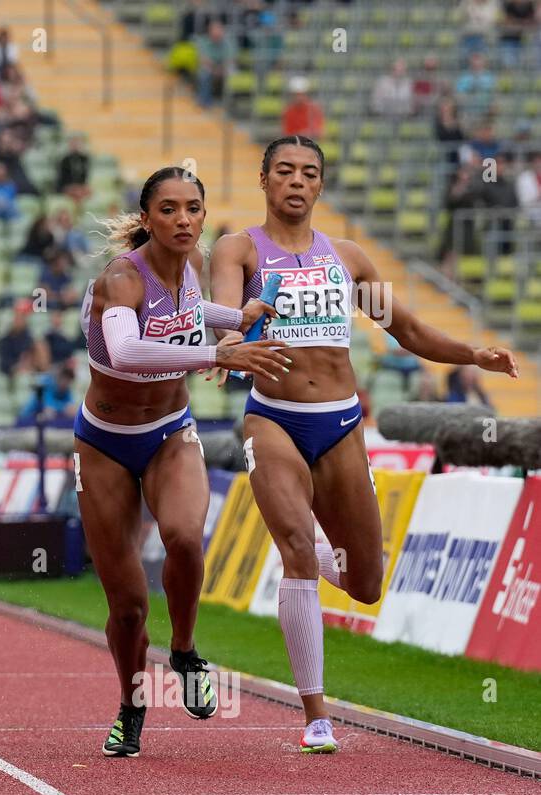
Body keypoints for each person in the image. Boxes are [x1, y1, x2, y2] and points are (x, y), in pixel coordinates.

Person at [210, 136, 518, 755]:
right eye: (285, 171)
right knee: (295, 549)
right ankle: (316, 715)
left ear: (320, 186)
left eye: (310, 173)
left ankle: (314, 548)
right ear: (265, 180)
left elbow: (405, 330)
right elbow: (219, 316)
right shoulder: (238, 248)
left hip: (341, 423)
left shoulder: (346, 260)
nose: (297, 182)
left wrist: (472, 354)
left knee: (365, 583)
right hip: (272, 419)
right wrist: (241, 319)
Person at [77, 166, 285, 758]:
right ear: (147, 220)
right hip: (105, 443)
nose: (183, 220)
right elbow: (126, 349)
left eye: (193, 208)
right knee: (128, 605)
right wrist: (213, 352)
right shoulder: (122, 279)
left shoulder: (190, 269)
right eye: (168, 210)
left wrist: (239, 317)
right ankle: (130, 704)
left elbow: (193, 312)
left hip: (171, 432)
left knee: (186, 538)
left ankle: (187, 651)